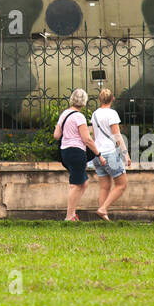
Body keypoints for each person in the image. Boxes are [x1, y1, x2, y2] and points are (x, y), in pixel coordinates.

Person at [53, 87, 100, 221]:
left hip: (65, 152)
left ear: (72, 99)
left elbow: (56, 135)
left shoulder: (64, 114)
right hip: (76, 152)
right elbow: (87, 139)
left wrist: (68, 133)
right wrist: (99, 154)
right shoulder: (79, 117)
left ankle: (72, 214)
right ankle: (69, 217)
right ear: (84, 102)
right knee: (75, 184)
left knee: (83, 182)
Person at [90, 88, 131, 220]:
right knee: (121, 184)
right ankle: (103, 209)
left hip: (98, 154)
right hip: (110, 153)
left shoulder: (94, 114)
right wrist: (126, 155)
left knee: (104, 187)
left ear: (100, 100)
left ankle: (103, 217)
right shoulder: (112, 114)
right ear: (112, 99)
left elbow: (95, 136)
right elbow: (117, 136)